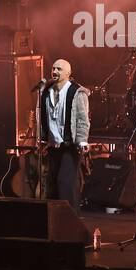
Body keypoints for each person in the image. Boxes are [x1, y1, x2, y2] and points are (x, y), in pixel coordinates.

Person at [38, 59, 90, 208]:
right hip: (53, 145)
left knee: (65, 182)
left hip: (70, 145)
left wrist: (82, 141)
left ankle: (71, 220)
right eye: (53, 68)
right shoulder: (46, 92)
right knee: (52, 184)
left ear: (68, 73)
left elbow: (82, 119)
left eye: (59, 69)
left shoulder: (76, 92)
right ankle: (55, 222)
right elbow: (43, 118)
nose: (54, 72)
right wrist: (42, 139)